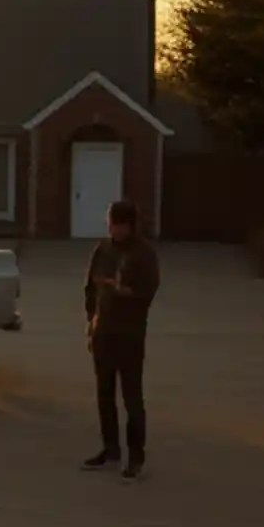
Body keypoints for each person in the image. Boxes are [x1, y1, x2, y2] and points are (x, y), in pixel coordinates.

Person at [81, 201, 160, 481]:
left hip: (129, 335)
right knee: (104, 394)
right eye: (110, 223)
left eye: (118, 224)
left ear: (130, 225)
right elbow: (90, 289)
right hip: (103, 333)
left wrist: (125, 291)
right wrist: (91, 322)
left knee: (131, 397)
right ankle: (110, 449)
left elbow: (148, 290)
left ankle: (135, 456)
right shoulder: (103, 250)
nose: (113, 229)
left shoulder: (144, 254)